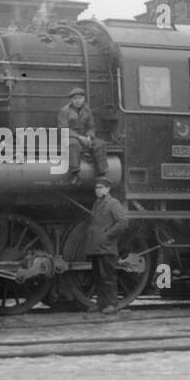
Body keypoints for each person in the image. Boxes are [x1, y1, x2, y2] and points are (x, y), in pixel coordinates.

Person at [85, 177, 128, 315]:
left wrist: (108, 235)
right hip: (96, 247)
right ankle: (101, 304)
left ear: (108, 189)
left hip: (106, 247)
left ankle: (112, 304)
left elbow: (122, 222)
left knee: (107, 277)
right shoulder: (97, 204)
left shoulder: (113, 203)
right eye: (96, 188)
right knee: (98, 277)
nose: (98, 190)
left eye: (101, 188)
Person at [58, 87, 109, 181]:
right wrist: (79, 137)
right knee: (73, 144)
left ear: (83, 99)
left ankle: (102, 174)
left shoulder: (87, 110)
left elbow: (91, 126)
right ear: (71, 100)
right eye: (75, 98)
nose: (77, 101)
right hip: (71, 136)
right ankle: (75, 173)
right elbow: (63, 129)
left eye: (80, 98)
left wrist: (89, 137)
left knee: (100, 144)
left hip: (85, 137)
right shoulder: (65, 111)